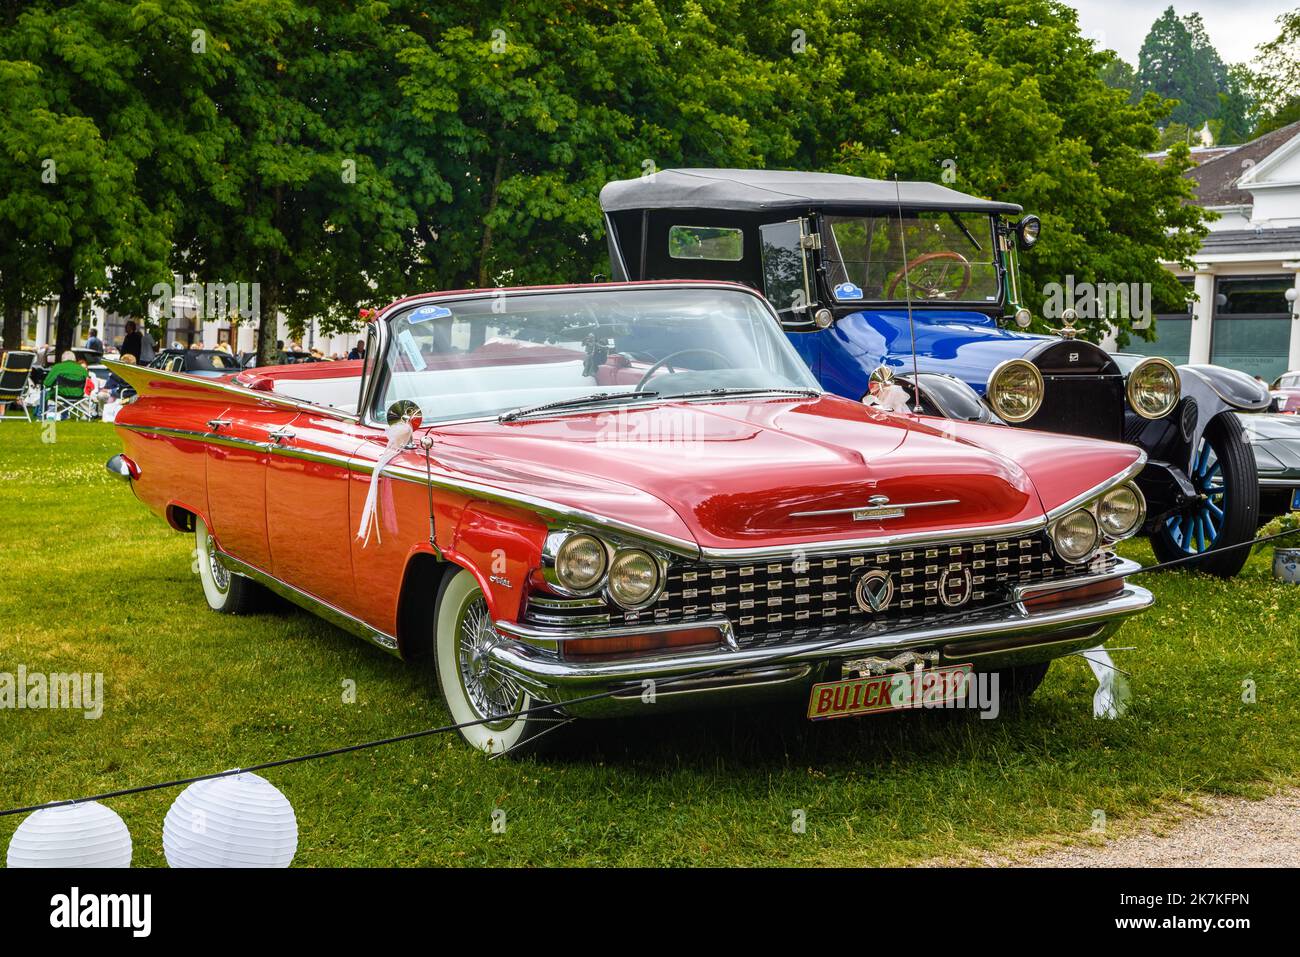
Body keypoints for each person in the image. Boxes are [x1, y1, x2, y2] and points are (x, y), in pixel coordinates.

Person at [41, 350, 89, 416]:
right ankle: (64, 415)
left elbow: (46, 383)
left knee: (44, 392)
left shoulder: (57, 367)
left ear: (62, 359)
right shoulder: (82, 369)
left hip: (61, 393)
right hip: (78, 394)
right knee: (67, 394)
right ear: (74, 359)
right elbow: (88, 384)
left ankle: (41, 414)